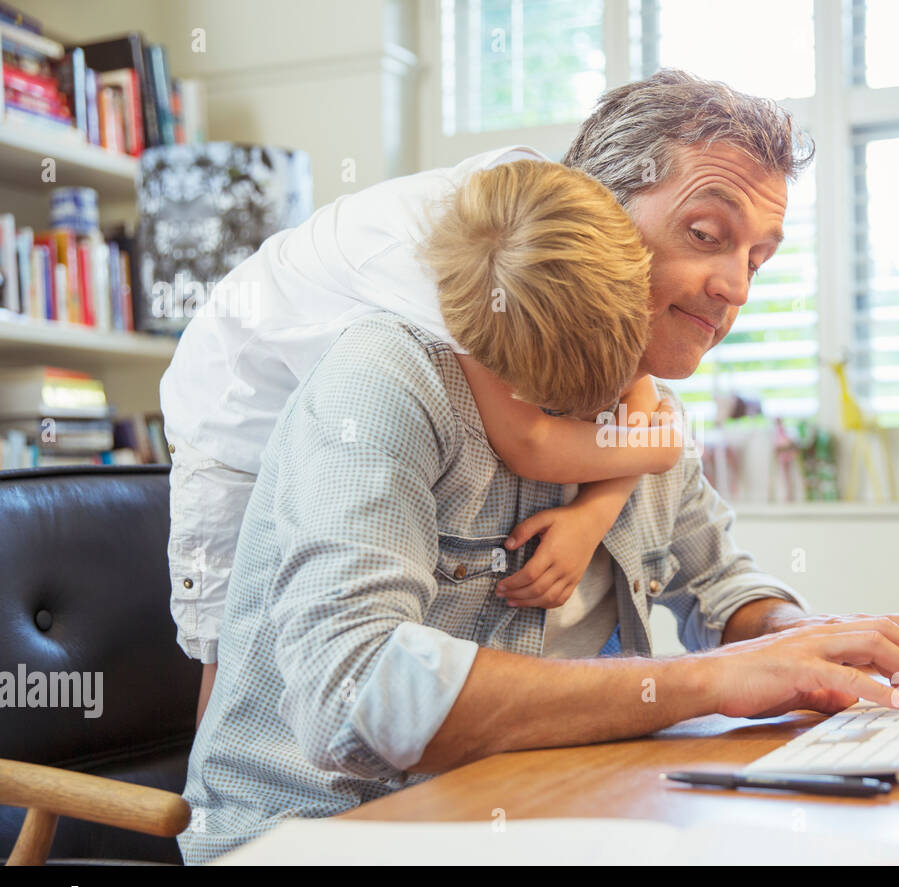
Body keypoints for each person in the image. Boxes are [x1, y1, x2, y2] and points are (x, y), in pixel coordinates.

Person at [177, 70, 899, 864]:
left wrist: (804, 642)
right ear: (598, 212)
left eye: (758, 257)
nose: (735, 289)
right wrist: (716, 680)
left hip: (531, 820)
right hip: (331, 842)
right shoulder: (391, 372)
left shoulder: (647, 408)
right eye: (706, 234)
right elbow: (358, 691)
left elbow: (721, 584)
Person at [161, 153, 682, 726]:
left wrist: (596, 508)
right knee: (229, 647)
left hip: (326, 398)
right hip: (230, 413)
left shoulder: (554, 216)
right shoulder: (448, 297)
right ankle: (208, 807)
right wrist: (660, 449)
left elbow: (635, 381)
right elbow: (529, 444)